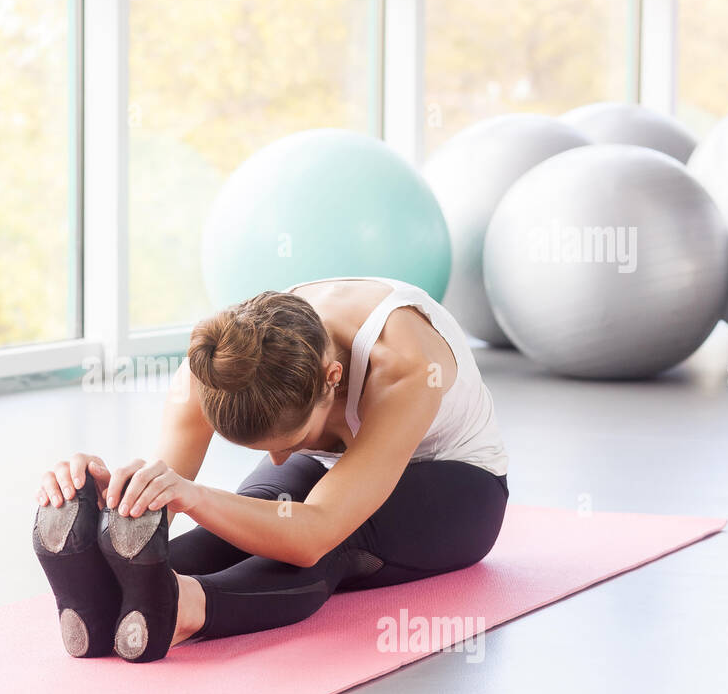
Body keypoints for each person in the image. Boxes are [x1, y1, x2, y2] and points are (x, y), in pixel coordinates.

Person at [32, 276, 509, 663]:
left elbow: (313, 533)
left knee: (331, 541)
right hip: (337, 464)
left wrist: (195, 497)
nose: (279, 459)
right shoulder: (221, 364)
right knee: (253, 516)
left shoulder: (404, 363)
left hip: (459, 486)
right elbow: (163, 499)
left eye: (293, 441)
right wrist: (113, 500)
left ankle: (183, 607)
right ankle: (105, 592)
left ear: (333, 379)